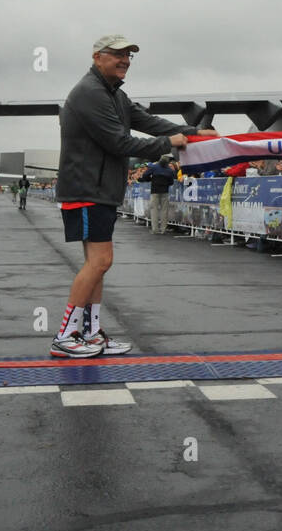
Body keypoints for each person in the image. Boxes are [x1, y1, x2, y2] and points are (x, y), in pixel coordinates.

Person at [50, 35, 214, 358]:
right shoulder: (91, 93)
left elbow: (150, 122)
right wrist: (173, 143)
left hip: (99, 191)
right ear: (98, 57)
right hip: (87, 190)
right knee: (100, 262)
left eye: (128, 56)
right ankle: (65, 335)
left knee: (97, 265)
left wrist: (193, 134)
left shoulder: (114, 95)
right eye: (117, 55)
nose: (124, 60)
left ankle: (91, 332)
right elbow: (121, 143)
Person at [140, 155, 179, 234]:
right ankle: (163, 229)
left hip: (155, 191)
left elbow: (145, 175)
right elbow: (171, 182)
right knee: (164, 211)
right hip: (165, 191)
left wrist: (150, 179)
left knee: (154, 210)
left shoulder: (154, 167)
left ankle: (155, 229)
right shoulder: (169, 170)